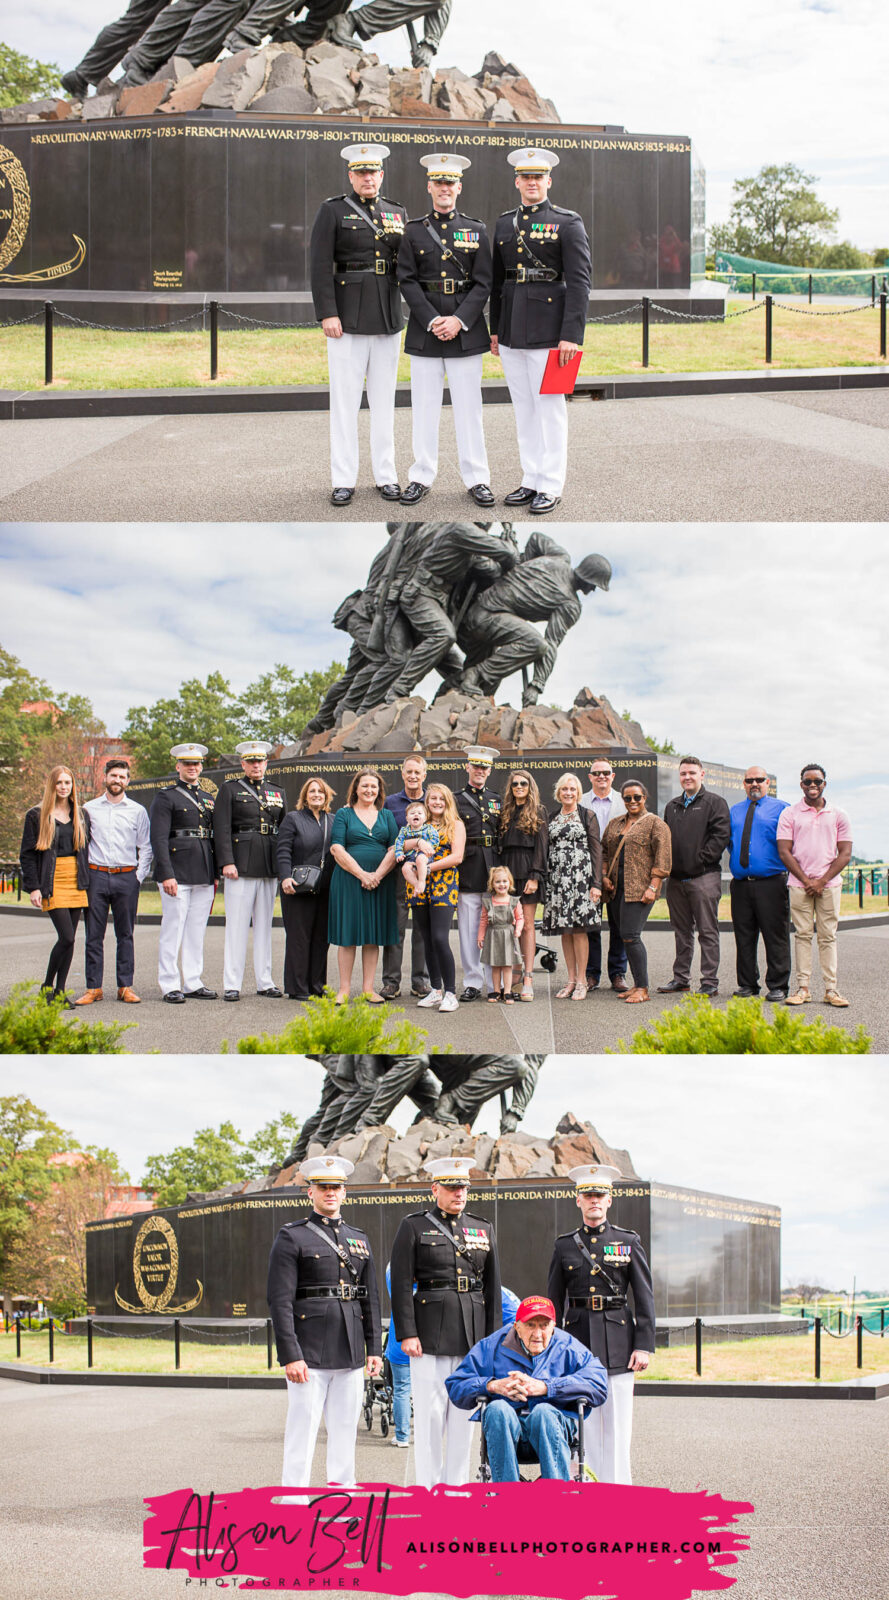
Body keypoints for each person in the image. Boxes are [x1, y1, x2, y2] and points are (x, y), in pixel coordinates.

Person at [267, 1156, 382, 1490]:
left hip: (349, 1349)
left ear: (345, 1193)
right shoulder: (292, 1236)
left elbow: (369, 1298)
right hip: (310, 1350)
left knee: (346, 1429)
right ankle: (294, 1498)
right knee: (302, 1428)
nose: (330, 1193)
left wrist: (373, 1348)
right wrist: (290, 1354)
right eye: (323, 1187)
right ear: (311, 1193)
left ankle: (341, 1496)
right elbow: (280, 1299)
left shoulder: (358, 1238)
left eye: (336, 1187)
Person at [489, 148, 592, 514]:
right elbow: (499, 281)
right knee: (525, 410)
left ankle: (551, 483)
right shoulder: (504, 224)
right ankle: (530, 479)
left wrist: (572, 335)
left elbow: (579, 283)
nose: (532, 183)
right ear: (517, 182)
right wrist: (496, 329)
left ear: (548, 181)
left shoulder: (568, 222)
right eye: (525, 177)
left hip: (552, 333)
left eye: (539, 177)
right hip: (513, 331)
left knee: (550, 410)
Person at [389, 1156, 502, 1489]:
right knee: (430, 1415)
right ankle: (427, 1488)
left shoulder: (483, 1228)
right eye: (452, 1187)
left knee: (463, 1416)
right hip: (429, 1334)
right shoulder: (413, 1226)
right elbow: (400, 1285)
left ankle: (455, 1489)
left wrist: (492, 1341)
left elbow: (493, 1288)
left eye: (464, 1187)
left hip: (471, 1334)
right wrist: (406, 1333)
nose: (459, 1193)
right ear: (435, 1188)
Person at [310, 144, 407, 507]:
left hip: (386, 315)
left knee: (385, 401)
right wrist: (327, 313)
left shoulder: (397, 212)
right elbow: (319, 265)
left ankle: (386, 475)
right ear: (351, 176)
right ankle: (343, 478)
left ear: (382, 175)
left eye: (374, 172)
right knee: (345, 401)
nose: (368, 178)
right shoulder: (332, 210)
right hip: (346, 318)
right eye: (361, 172)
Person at [396, 152, 494, 509]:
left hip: (464, 330)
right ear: (429, 187)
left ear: (459, 188)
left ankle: (477, 478)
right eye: (439, 183)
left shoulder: (477, 230)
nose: (445, 189)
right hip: (426, 328)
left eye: (450, 183)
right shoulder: (413, 231)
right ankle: (421, 476)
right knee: (424, 408)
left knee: (470, 409)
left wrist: (459, 320)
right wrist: (430, 318)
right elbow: (405, 279)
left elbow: (484, 283)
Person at [547, 1164, 655, 1485]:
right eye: (588, 1194)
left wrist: (644, 1345)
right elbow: (554, 1302)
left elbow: (644, 1296)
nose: (594, 1200)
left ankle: (620, 1490)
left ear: (610, 1200)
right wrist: (555, 1350)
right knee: (586, 1423)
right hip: (579, 1343)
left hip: (621, 1341)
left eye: (600, 1194)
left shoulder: (628, 1241)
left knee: (619, 1425)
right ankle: (589, 1490)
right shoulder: (564, 1245)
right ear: (577, 1200)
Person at [445, 1294, 607, 1483]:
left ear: (553, 1326)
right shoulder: (492, 1346)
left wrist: (548, 1387)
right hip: (507, 1431)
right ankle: (507, 1499)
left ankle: (557, 1499)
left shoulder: (567, 1346)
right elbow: (456, 1384)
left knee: (544, 1412)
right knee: (498, 1409)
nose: (538, 1334)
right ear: (517, 1326)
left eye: (544, 1325)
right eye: (531, 1325)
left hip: (553, 1430)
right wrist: (492, 1385)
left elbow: (599, 1383)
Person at [213, 740, 286, 1004]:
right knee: (236, 926)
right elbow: (221, 828)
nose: (256, 765)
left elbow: (284, 828)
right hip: (240, 865)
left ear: (266, 763)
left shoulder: (277, 791)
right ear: (243, 764)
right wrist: (226, 862)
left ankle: (265, 981)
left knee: (265, 927)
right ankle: (232, 983)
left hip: (268, 863)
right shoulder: (230, 789)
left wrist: (283, 865)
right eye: (251, 761)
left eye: (260, 761)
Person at [777, 764, 853, 1008]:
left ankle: (831, 989)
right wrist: (807, 880)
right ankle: (803, 988)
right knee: (802, 935)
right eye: (807, 782)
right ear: (801, 784)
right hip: (799, 884)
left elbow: (845, 853)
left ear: (824, 784)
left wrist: (821, 881)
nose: (812, 786)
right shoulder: (790, 814)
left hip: (829, 885)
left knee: (828, 936)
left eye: (817, 782)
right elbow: (784, 851)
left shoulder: (839, 814)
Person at [77, 759, 152, 1005]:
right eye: (113, 776)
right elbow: (82, 844)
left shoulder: (137, 811)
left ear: (127, 780)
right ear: (105, 777)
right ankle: (93, 988)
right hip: (97, 876)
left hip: (126, 877)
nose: (117, 780)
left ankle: (124, 987)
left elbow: (146, 847)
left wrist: (137, 878)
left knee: (125, 934)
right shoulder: (89, 808)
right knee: (93, 935)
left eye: (122, 777)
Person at [149, 742, 218, 1006]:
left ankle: (193, 981)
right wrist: (166, 873)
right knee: (173, 929)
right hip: (177, 872)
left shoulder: (208, 799)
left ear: (201, 767)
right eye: (187, 764)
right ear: (178, 766)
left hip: (203, 871)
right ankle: (169, 984)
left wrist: (214, 872)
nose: (192, 768)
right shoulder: (166, 797)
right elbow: (158, 838)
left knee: (196, 930)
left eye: (196, 764)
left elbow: (210, 837)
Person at [660, 756, 731, 998]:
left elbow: (720, 837)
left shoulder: (715, 803)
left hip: (704, 878)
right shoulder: (672, 806)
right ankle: (681, 979)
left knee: (707, 931)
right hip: (676, 881)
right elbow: (665, 841)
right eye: (683, 774)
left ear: (702, 775)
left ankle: (709, 982)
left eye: (692, 773)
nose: (687, 777)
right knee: (681, 932)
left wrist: (698, 860)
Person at [20, 766, 90, 1007]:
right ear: (52, 785)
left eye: (68, 783)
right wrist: (35, 887)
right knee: (66, 936)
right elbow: (27, 855)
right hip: (52, 879)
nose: (63, 787)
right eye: (59, 782)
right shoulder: (36, 815)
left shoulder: (81, 814)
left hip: (76, 879)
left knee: (70, 940)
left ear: (73, 786)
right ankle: (47, 986)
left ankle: (59, 992)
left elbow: (86, 850)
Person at [328, 768, 398, 1003]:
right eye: (365, 785)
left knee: (372, 936)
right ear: (356, 789)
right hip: (349, 880)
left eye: (374, 786)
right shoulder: (343, 814)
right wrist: (362, 875)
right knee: (348, 935)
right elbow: (337, 848)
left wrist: (376, 875)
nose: (369, 790)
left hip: (380, 882)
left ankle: (368, 988)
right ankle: (344, 989)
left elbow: (394, 849)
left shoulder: (387, 816)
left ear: (379, 791)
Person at [601, 781, 672, 1005]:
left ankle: (642, 988)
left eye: (637, 797)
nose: (632, 802)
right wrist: (604, 875)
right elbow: (604, 852)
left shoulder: (655, 824)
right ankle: (635, 984)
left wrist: (653, 886)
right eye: (628, 798)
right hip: (615, 889)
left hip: (639, 889)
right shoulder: (615, 823)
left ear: (645, 798)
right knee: (621, 934)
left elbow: (663, 859)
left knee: (631, 936)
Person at [728, 767, 791, 1002]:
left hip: (771, 883)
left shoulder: (783, 809)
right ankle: (747, 983)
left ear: (767, 783)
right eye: (749, 780)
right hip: (742, 884)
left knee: (775, 935)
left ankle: (778, 985)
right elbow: (730, 844)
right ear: (743, 784)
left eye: (759, 780)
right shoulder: (734, 811)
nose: (754, 784)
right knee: (744, 935)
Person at [540, 772, 602, 1001]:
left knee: (579, 930)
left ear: (578, 793)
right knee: (565, 930)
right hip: (558, 881)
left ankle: (583, 982)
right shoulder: (552, 817)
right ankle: (570, 980)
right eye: (565, 789)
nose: (568, 793)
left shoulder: (587, 815)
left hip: (581, 881)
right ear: (559, 792)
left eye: (573, 789)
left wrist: (596, 883)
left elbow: (596, 850)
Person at [277, 776, 336, 1001]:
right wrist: (284, 878)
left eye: (320, 792)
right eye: (312, 791)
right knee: (299, 937)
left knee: (322, 938)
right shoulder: (293, 819)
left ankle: (317, 986)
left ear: (326, 796)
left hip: (325, 887)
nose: (316, 795)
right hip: (297, 887)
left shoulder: (333, 820)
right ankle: (298, 987)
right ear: (305, 796)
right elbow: (283, 850)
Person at [409, 782, 465, 1015]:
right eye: (433, 799)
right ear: (427, 802)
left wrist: (429, 867)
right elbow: (403, 844)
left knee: (440, 938)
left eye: (441, 799)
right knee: (427, 938)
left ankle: (451, 993)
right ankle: (436, 990)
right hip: (418, 885)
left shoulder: (456, 824)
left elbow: (457, 856)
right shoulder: (420, 823)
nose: (437, 802)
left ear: (447, 801)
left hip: (443, 883)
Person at [454, 745, 502, 1001]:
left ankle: (494, 981)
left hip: (493, 868)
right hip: (468, 867)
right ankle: (472, 981)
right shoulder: (455, 799)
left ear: (490, 770)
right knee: (469, 930)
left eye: (485, 767)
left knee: (496, 928)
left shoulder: (497, 798)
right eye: (476, 766)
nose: (480, 770)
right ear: (468, 767)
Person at [382, 753, 430, 1000]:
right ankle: (391, 982)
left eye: (417, 772)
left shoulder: (432, 800)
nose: (413, 776)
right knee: (396, 928)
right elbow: (387, 838)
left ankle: (420, 981)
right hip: (398, 872)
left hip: (425, 872)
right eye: (408, 772)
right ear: (402, 774)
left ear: (424, 774)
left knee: (422, 928)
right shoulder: (390, 803)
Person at [497, 768, 548, 1001]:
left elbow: (542, 847)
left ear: (530, 787)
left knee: (526, 925)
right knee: (509, 925)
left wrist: (535, 877)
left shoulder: (538, 811)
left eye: (523, 784)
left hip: (527, 871)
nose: (519, 787)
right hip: (506, 872)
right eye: (515, 784)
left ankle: (528, 978)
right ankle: (513, 978)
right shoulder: (505, 811)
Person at [580, 759, 628, 994]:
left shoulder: (625, 801)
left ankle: (618, 973)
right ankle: (591, 974)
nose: (601, 776)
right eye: (596, 773)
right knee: (591, 925)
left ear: (613, 775)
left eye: (605, 773)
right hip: (588, 871)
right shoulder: (580, 801)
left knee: (620, 925)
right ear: (590, 777)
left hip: (619, 871)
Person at [478, 865, 524, 1004]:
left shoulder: (514, 901)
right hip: (493, 935)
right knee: (495, 965)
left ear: (510, 882)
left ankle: (508, 991)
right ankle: (496, 990)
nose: (501, 884)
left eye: (504, 881)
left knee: (507, 966)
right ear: (492, 884)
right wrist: (480, 936)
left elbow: (520, 917)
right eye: (497, 882)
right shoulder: (488, 902)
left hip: (509, 936)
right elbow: (483, 920)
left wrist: (518, 930)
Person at [384, 1262, 412, 1449]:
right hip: (426, 1344)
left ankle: (402, 1437)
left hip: (399, 1342)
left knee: (401, 1389)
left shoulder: (392, 1272)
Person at [394, 800, 439, 895]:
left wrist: (428, 846)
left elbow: (435, 839)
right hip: (410, 857)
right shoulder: (404, 830)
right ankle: (417, 884)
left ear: (425, 818)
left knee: (420, 860)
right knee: (405, 869)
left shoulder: (429, 828)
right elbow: (399, 842)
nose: (416, 815)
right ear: (407, 818)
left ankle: (422, 881)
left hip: (425, 855)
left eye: (419, 813)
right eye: (412, 813)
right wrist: (399, 853)